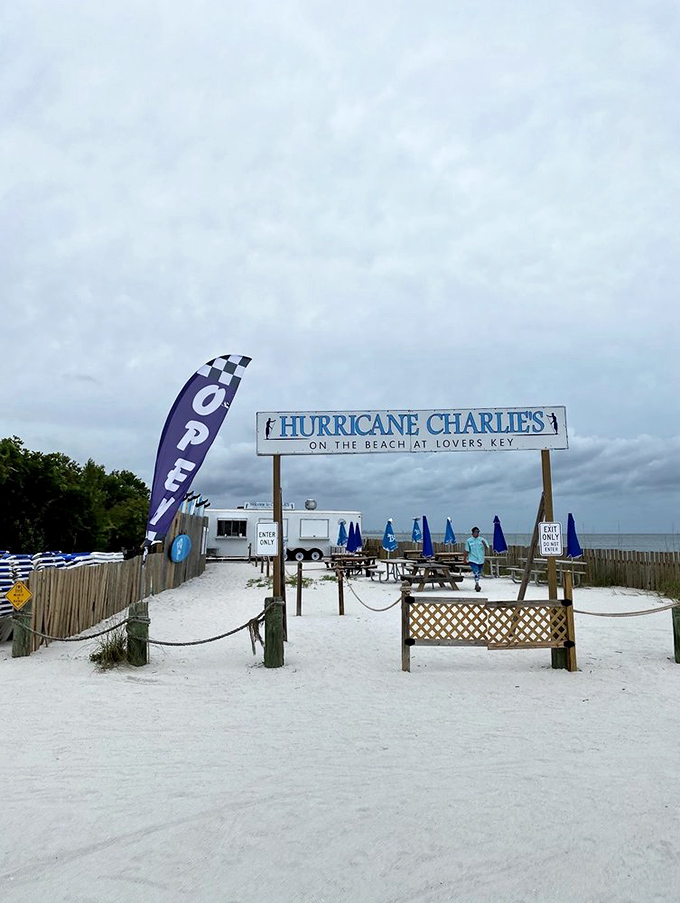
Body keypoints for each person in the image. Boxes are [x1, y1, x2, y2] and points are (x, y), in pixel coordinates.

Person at [464, 526, 489, 592]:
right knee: (476, 572)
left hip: (480, 559)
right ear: (472, 533)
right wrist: (465, 559)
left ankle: (476, 582)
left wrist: (485, 545)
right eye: (476, 532)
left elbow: (487, 548)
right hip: (472, 559)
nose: (477, 533)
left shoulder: (482, 540)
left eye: (478, 532)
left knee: (479, 572)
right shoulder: (469, 541)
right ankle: (477, 584)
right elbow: (466, 550)